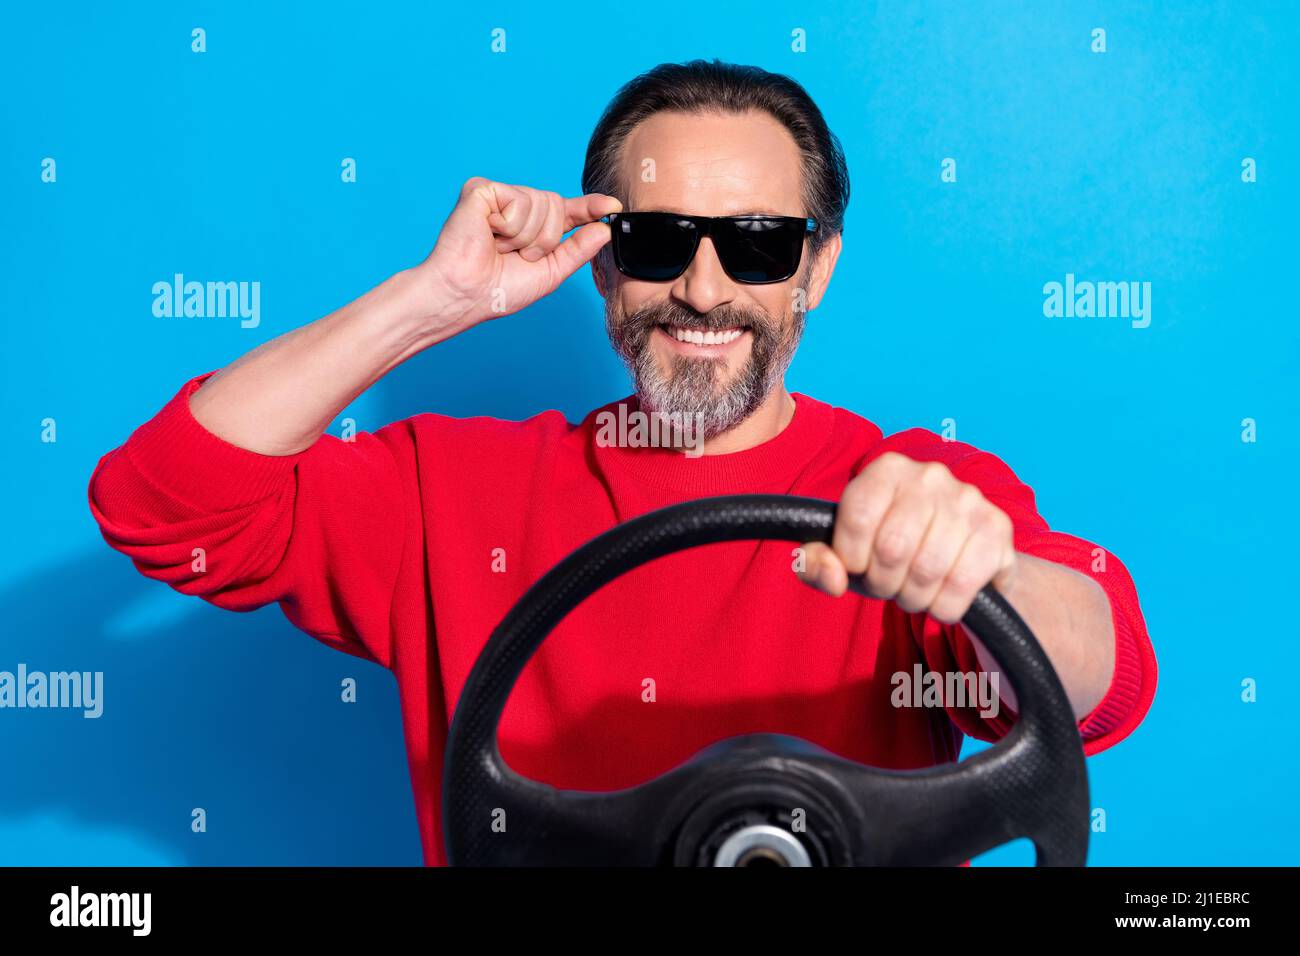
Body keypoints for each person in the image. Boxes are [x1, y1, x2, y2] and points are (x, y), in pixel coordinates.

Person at [87, 59, 1157, 865]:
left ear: (815, 270)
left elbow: (1102, 684)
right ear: (600, 266)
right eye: (656, 241)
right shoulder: (447, 492)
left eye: (756, 243)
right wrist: (429, 302)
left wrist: (983, 571)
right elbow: (161, 506)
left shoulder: (910, 490)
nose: (703, 289)